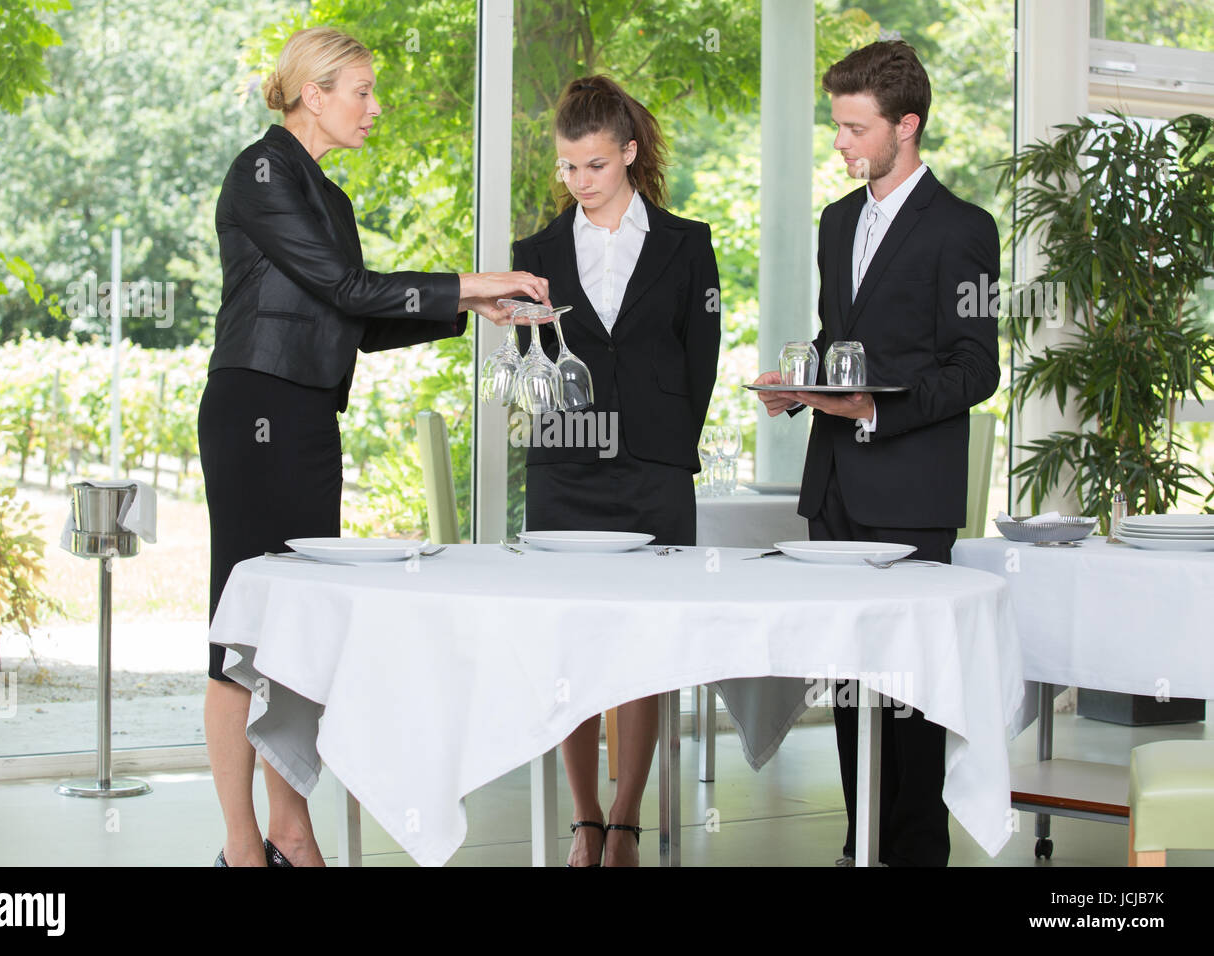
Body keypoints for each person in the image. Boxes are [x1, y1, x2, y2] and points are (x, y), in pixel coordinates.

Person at [200, 26, 549, 867]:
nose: (374, 107)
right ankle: (245, 845)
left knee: (299, 626)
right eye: (360, 90)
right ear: (312, 94)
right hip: (258, 410)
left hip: (310, 418)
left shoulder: (330, 197)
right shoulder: (263, 171)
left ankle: (291, 829)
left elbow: (354, 321)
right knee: (242, 628)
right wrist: (474, 283)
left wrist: (470, 308)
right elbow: (345, 286)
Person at [754, 40, 999, 866]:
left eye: (856, 128)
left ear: (908, 125)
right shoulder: (836, 222)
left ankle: (917, 852)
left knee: (914, 694)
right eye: (837, 126)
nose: (841, 144)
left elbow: (976, 368)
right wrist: (802, 385)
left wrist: (875, 410)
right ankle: (862, 848)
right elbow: (840, 341)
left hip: (912, 494)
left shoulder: (965, 229)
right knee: (853, 685)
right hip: (835, 489)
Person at [511, 75, 721, 866]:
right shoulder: (533, 255)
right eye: (568, 167)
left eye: (594, 166)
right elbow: (530, 366)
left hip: (653, 471)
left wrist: (665, 446)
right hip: (564, 470)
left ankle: (627, 817)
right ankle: (585, 818)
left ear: (628, 153)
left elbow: (699, 362)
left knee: (646, 645)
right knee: (569, 646)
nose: (579, 182)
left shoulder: (686, 243)